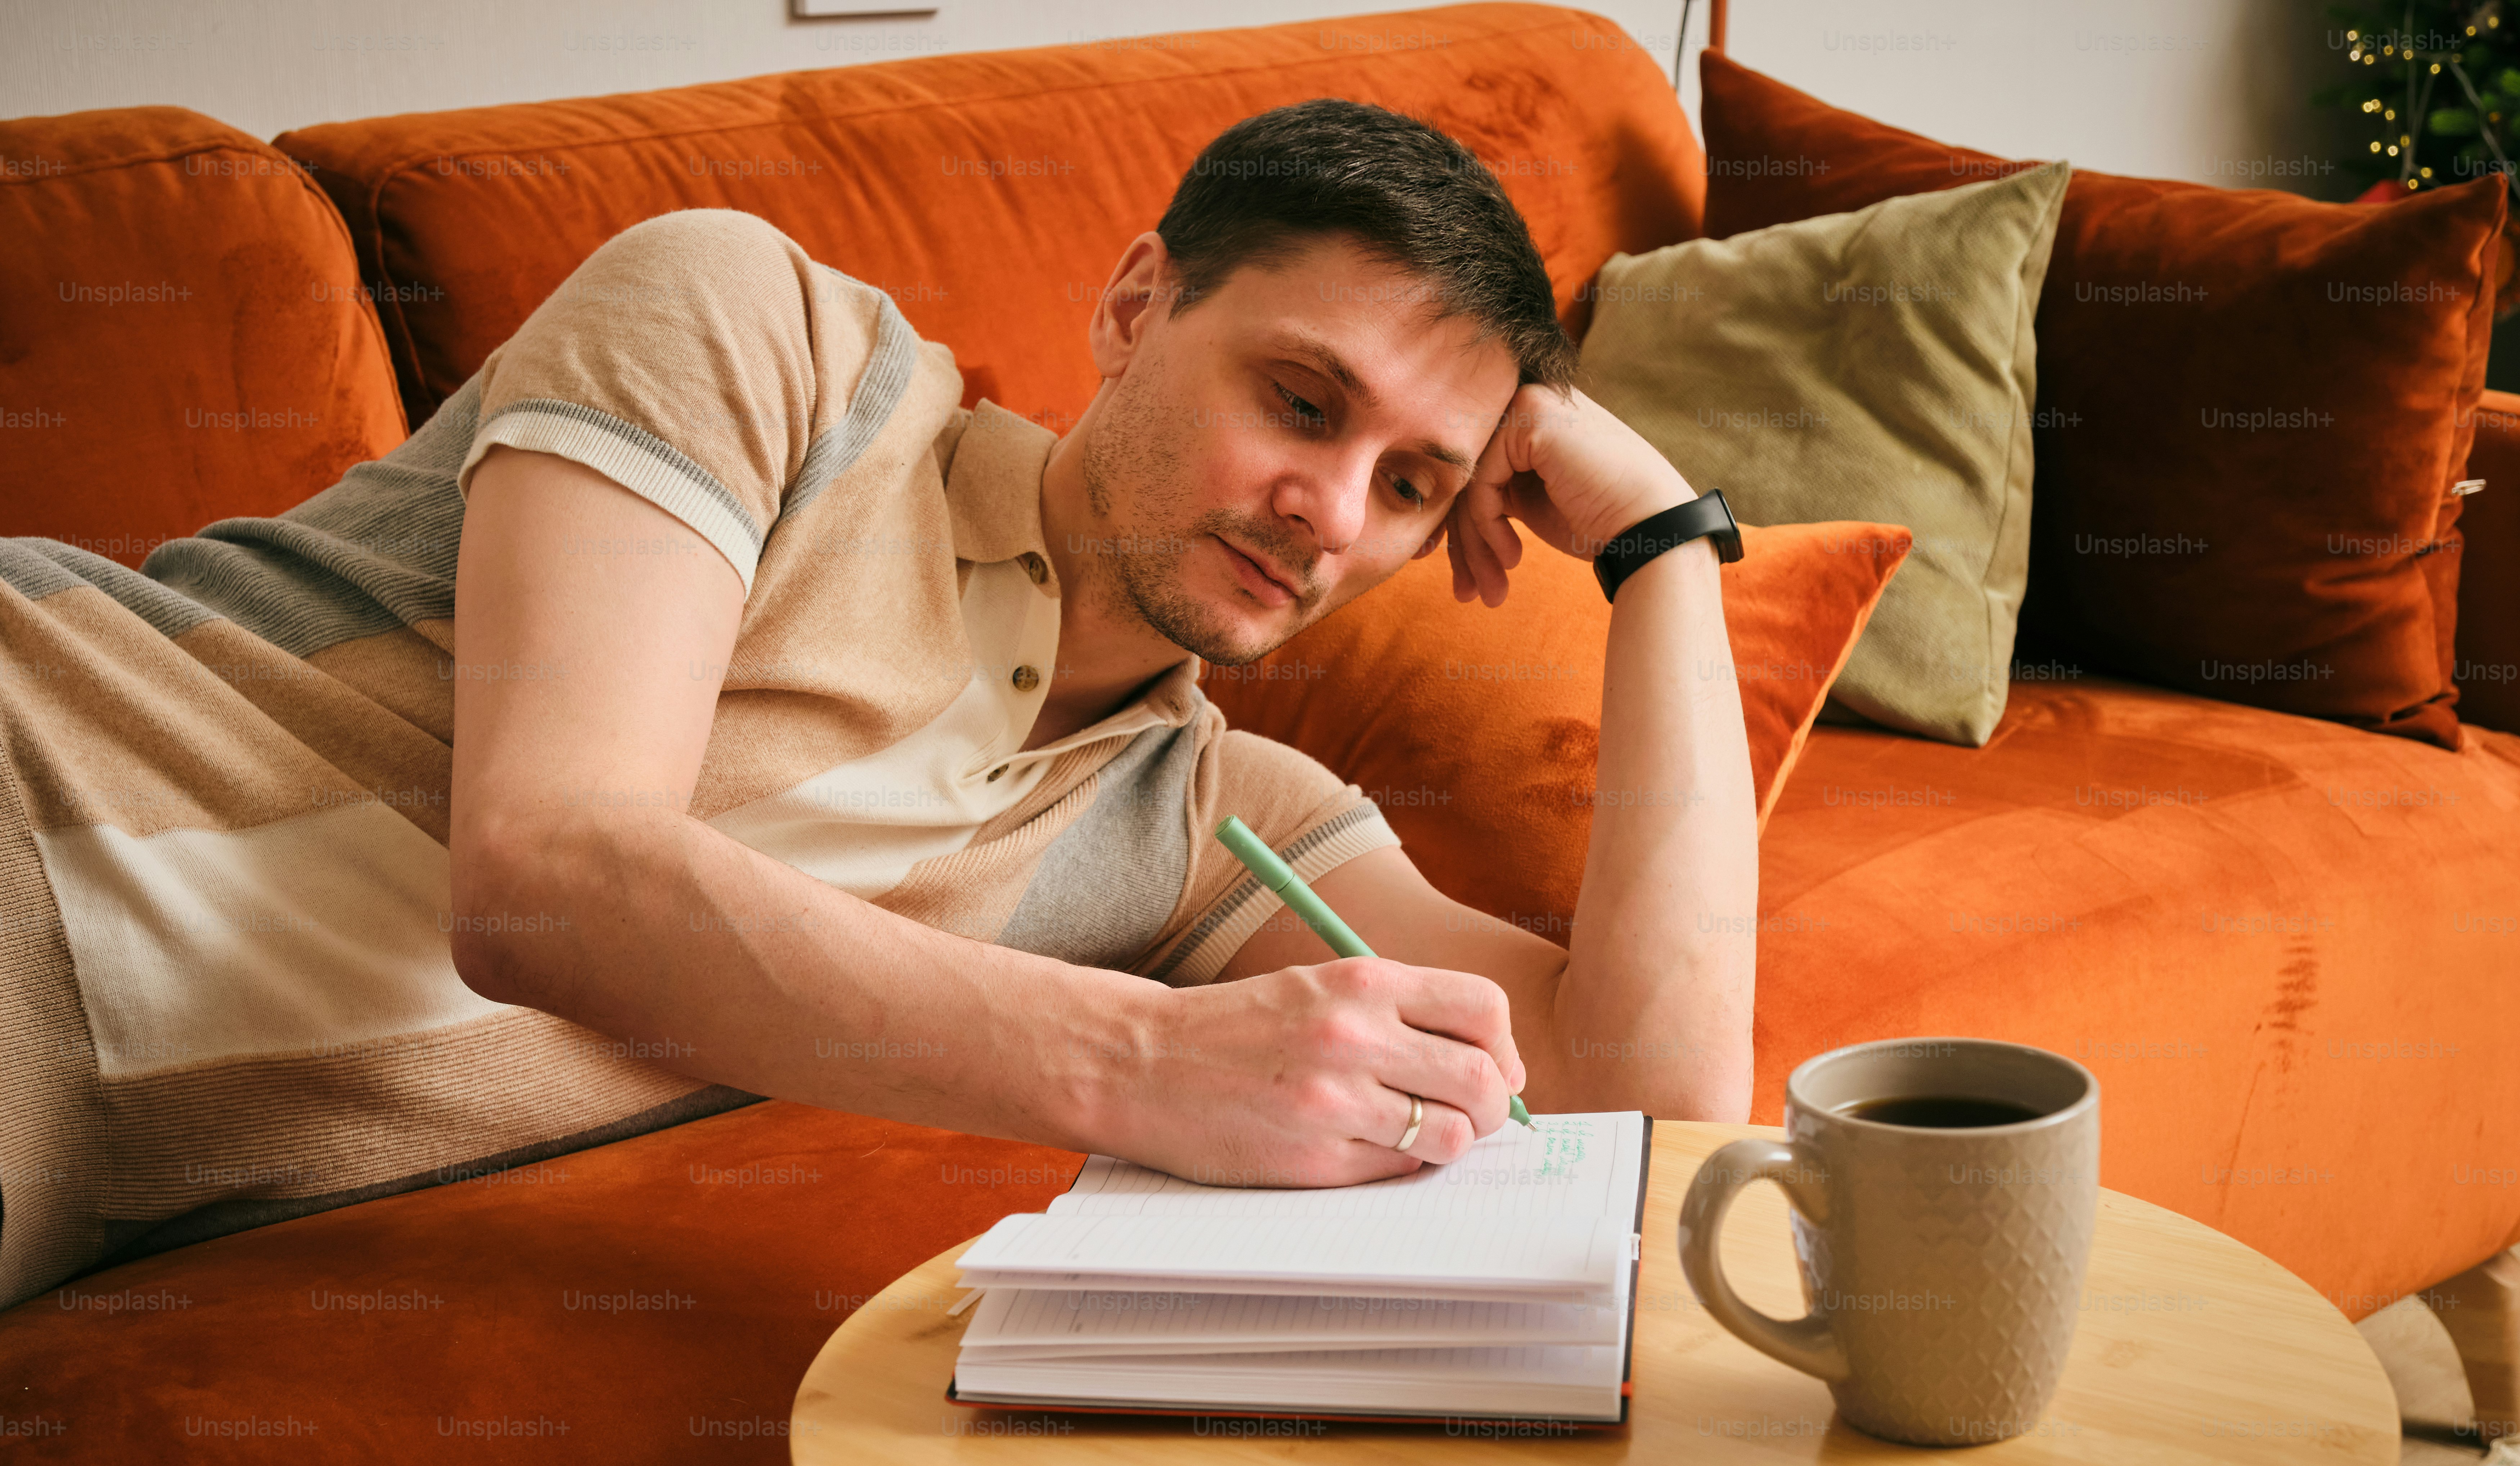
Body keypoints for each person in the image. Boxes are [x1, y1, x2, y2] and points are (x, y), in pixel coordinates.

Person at [0, 99, 1752, 1306]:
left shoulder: (1213, 822)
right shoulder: (765, 337)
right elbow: (544, 874)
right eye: (1301, 403)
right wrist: (1147, 1062)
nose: (1329, 512)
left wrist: (1665, 549)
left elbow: (1651, 1095)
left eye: (1413, 490)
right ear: (1136, 306)